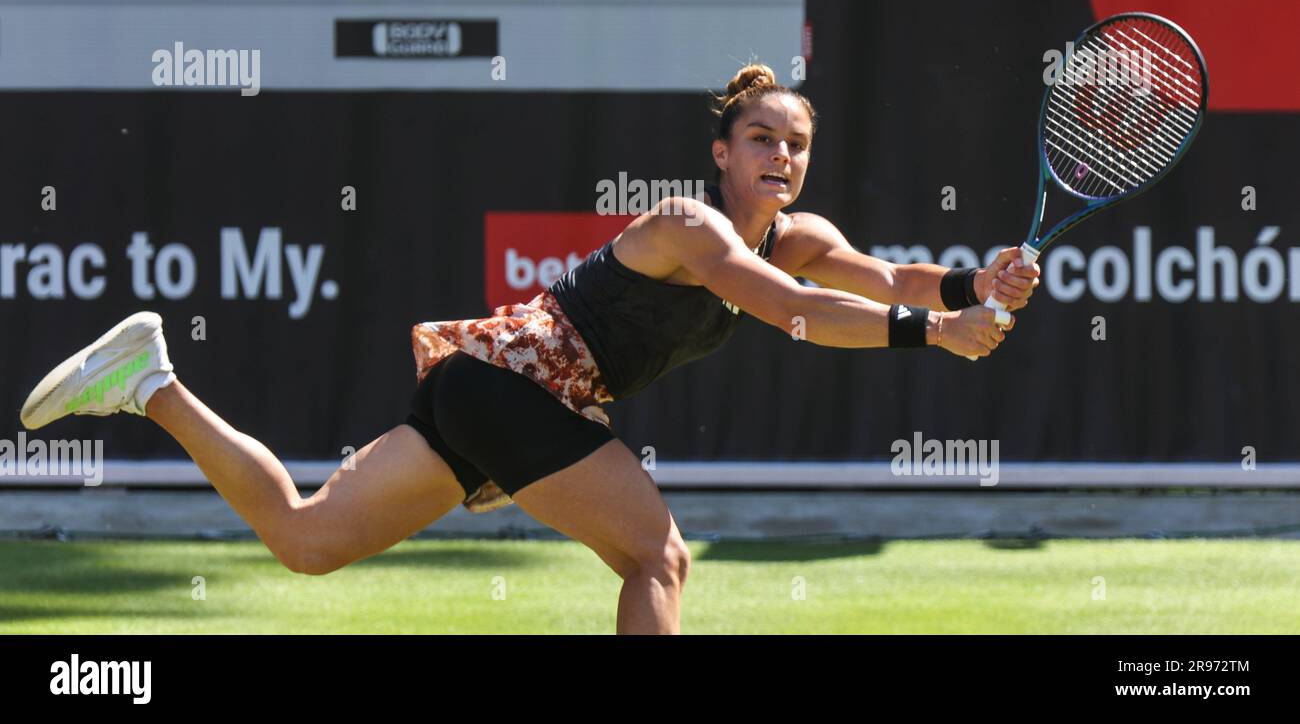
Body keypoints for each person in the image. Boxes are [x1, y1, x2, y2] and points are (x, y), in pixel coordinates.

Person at [19, 63, 1042, 634]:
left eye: (797, 144)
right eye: (763, 138)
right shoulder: (691, 223)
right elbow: (793, 311)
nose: (783, 156)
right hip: (514, 386)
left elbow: (888, 278)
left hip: (492, 395)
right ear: (721, 150)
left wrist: (973, 286)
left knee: (306, 539)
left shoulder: (802, 235)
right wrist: (939, 335)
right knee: (656, 552)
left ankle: (149, 378)